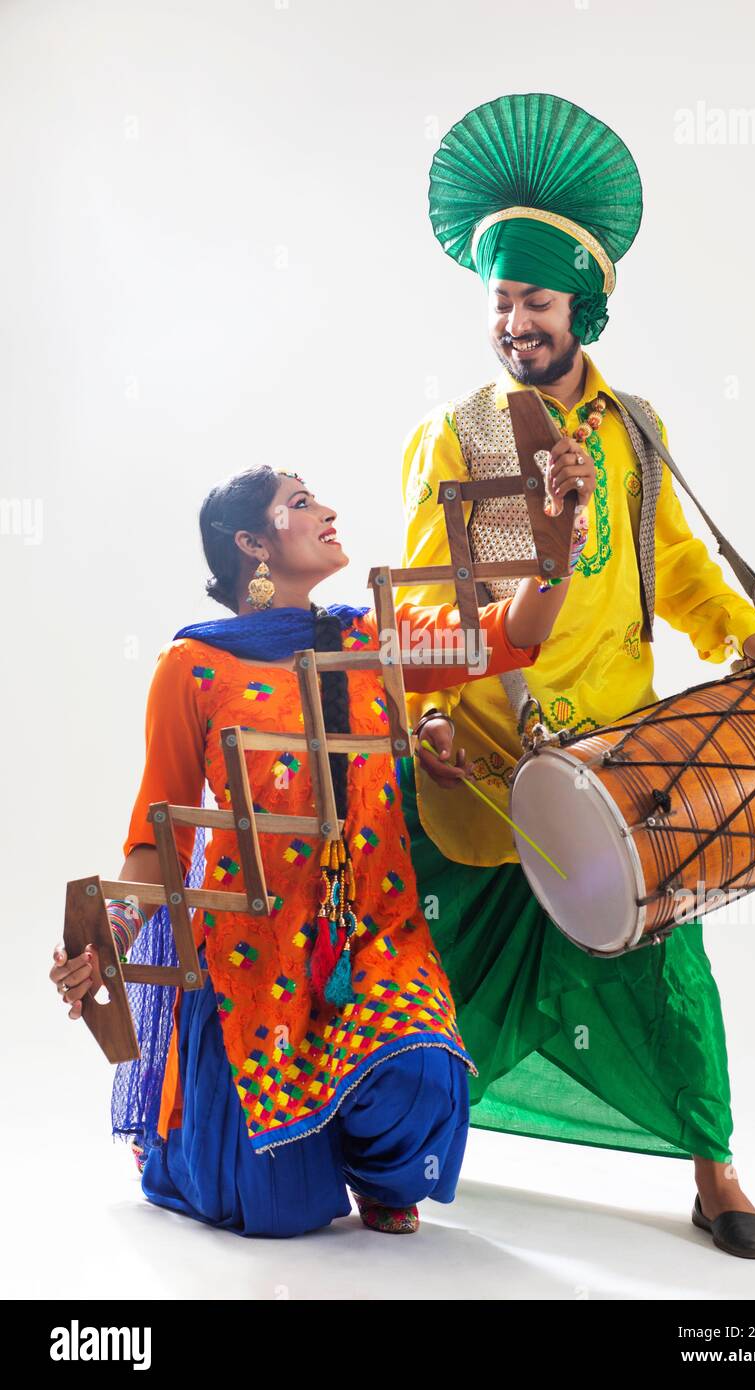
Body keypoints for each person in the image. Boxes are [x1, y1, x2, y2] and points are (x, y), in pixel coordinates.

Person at [395, 92, 755, 1259]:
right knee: (430, 957)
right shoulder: (465, 432)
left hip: (616, 758)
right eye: (501, 300)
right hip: (478, 756)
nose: (513, 322)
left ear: (585, 307)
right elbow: (419, 597)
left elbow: (672, 564)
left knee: (668, 967)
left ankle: (714, 1169)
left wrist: (739, 640)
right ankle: (382, 1146)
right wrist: (420, 709)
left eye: (536, 301)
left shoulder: (633, 428)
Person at [49, 463, 579, 1238]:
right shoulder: (191, 667)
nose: (327, 510)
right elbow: (160, 836)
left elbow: (510, 636)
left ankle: (373, 1167)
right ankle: (201, 1141)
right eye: (301, 503)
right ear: (251, 544)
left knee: (425, 1075)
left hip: (372, 931)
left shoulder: (374, 638)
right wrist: (113, 941)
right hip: (250, 956)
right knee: (272, 1214)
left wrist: (557, 542)